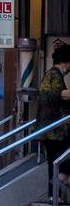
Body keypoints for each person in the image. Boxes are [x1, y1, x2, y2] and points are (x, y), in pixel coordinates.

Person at [37, 42, 70, 195]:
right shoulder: (54, 75)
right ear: (65, 61)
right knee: (60, 160)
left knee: (54, 161)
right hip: (56, 130)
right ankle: (59, 185)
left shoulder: (50, 75)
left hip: (48, 128)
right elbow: (59, 94)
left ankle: (54, 194)